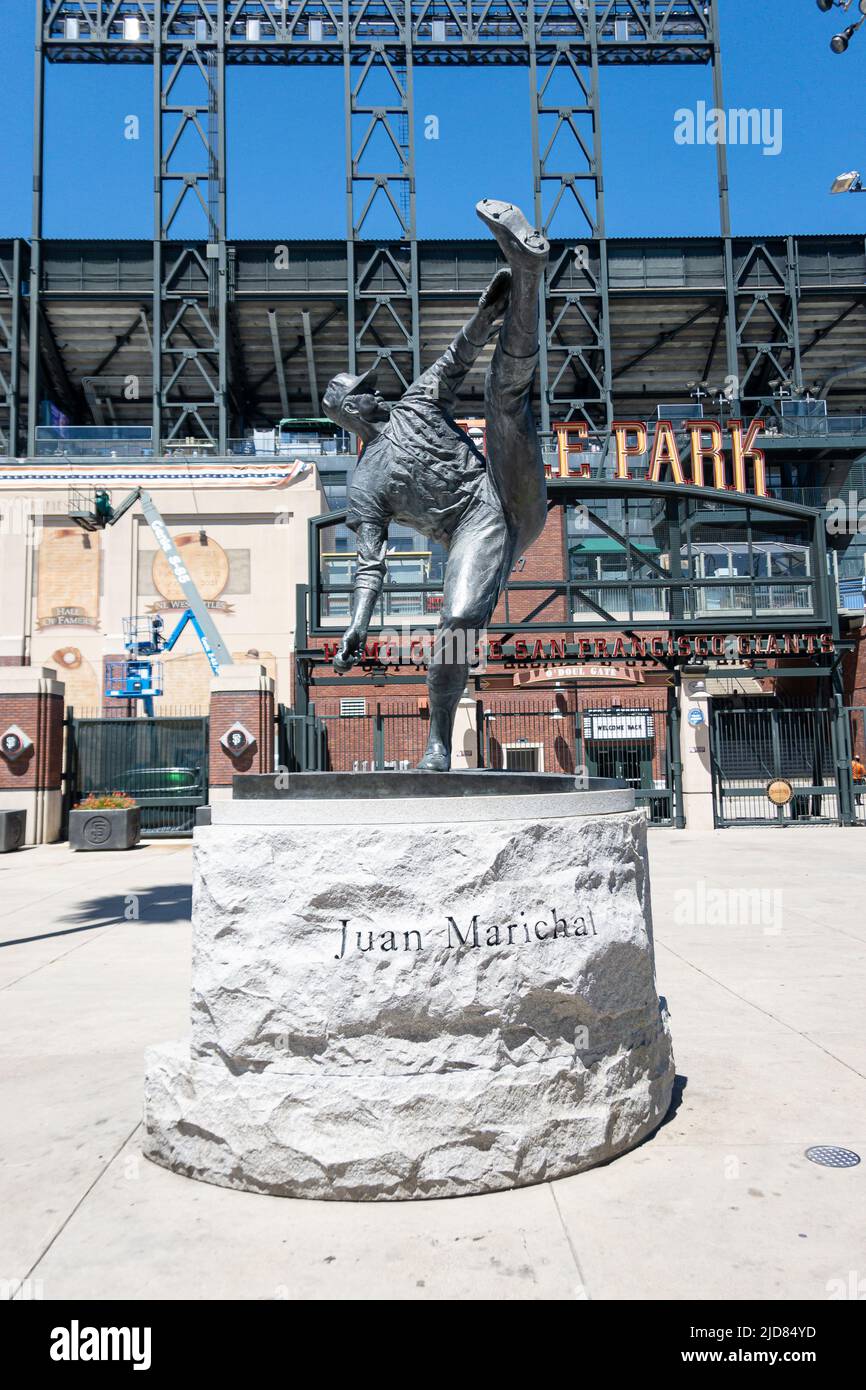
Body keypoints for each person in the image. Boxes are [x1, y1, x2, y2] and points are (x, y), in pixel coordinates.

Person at [322, 199, 549, 770]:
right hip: (474, 529)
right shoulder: (366, 485)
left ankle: (527, 271)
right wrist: (356, 626)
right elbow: (367, 565)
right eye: (367, 389)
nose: (379, 389)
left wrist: (485, 314)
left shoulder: (416, 402)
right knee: (455, 621)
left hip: (505, 488)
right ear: (354, 408)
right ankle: (439, 744)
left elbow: (457, 357)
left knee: (505, 394)